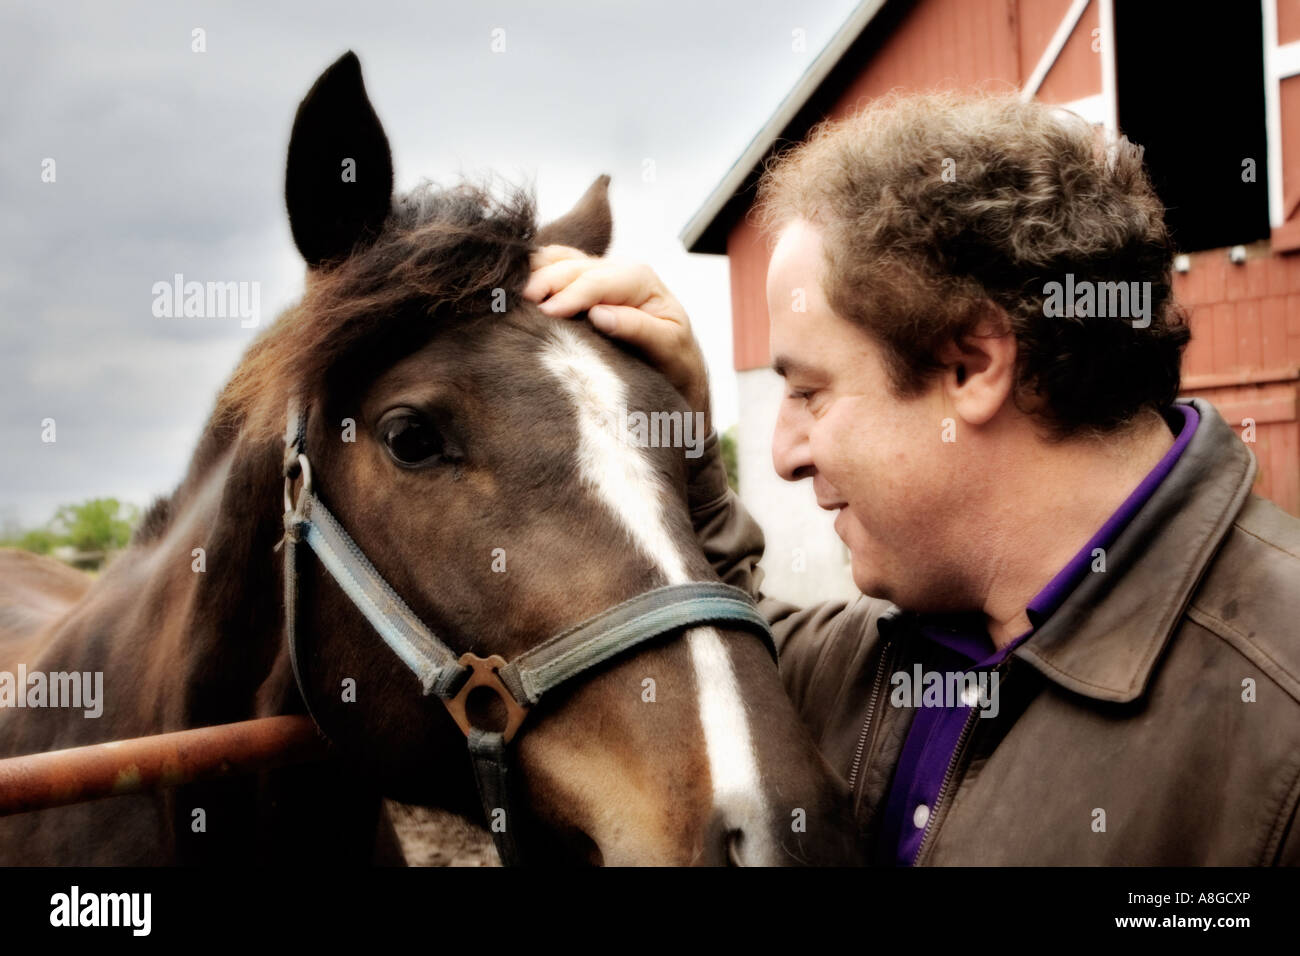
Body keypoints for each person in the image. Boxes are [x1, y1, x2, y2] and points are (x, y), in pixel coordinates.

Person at [523, 90, 1300, 865]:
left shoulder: (1278, 707)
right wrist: (686, 445)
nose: (783, 454)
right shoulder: (889, 646)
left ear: (972, 366)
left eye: (806, 392)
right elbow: (727, 659)